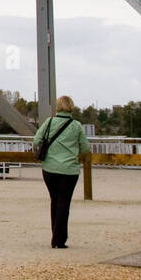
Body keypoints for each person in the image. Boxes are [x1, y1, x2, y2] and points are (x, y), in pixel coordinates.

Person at [33, 94, 89, 248]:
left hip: (49, 169)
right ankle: (59, 239)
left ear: (57, 107)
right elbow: (86, 148)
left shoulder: (49, 122)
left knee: (55, 201)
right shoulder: (76, 125)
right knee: (64, 203)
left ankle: (55, 236)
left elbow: (36, 140)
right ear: (71, 107)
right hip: (69, 170)